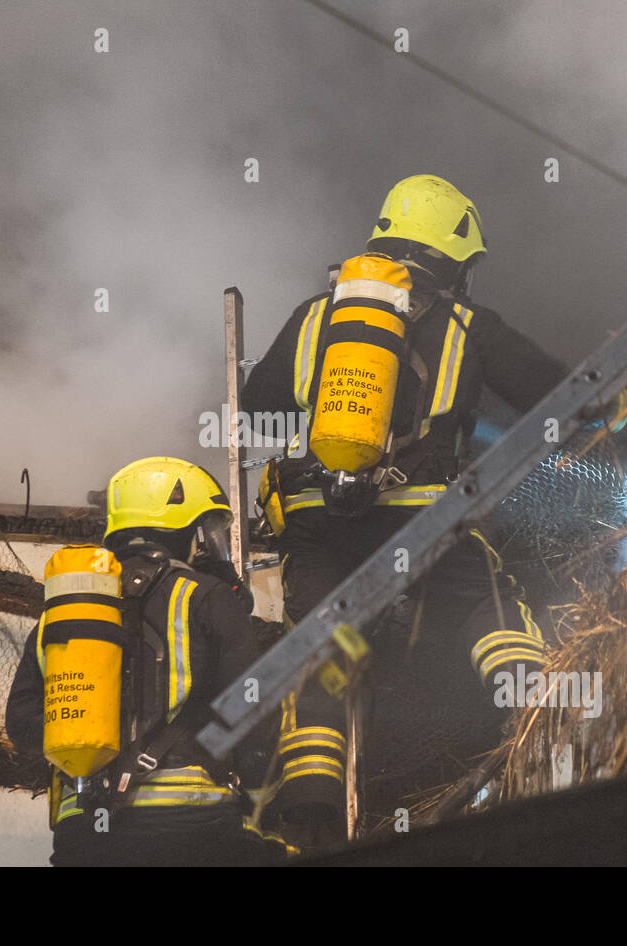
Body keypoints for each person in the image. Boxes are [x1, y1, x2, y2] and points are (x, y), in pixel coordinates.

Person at [243, 175, 569, 846]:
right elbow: (555, 392)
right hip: (422, 518)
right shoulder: (468, 325)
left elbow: (257, 413)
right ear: (453, 254)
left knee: (318, 650)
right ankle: (539, 725)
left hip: (317, 520)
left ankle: (310, 814)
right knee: (484, 604)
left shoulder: (315, 314)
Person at [6, 456, 293, 865]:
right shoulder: (208, 597)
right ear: (179, 527)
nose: (204, 544)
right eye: (203, 532)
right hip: (193, 826)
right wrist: (259, 810)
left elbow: (21, 722)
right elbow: (254, 716)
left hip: (86, 835)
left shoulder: (68, 608)